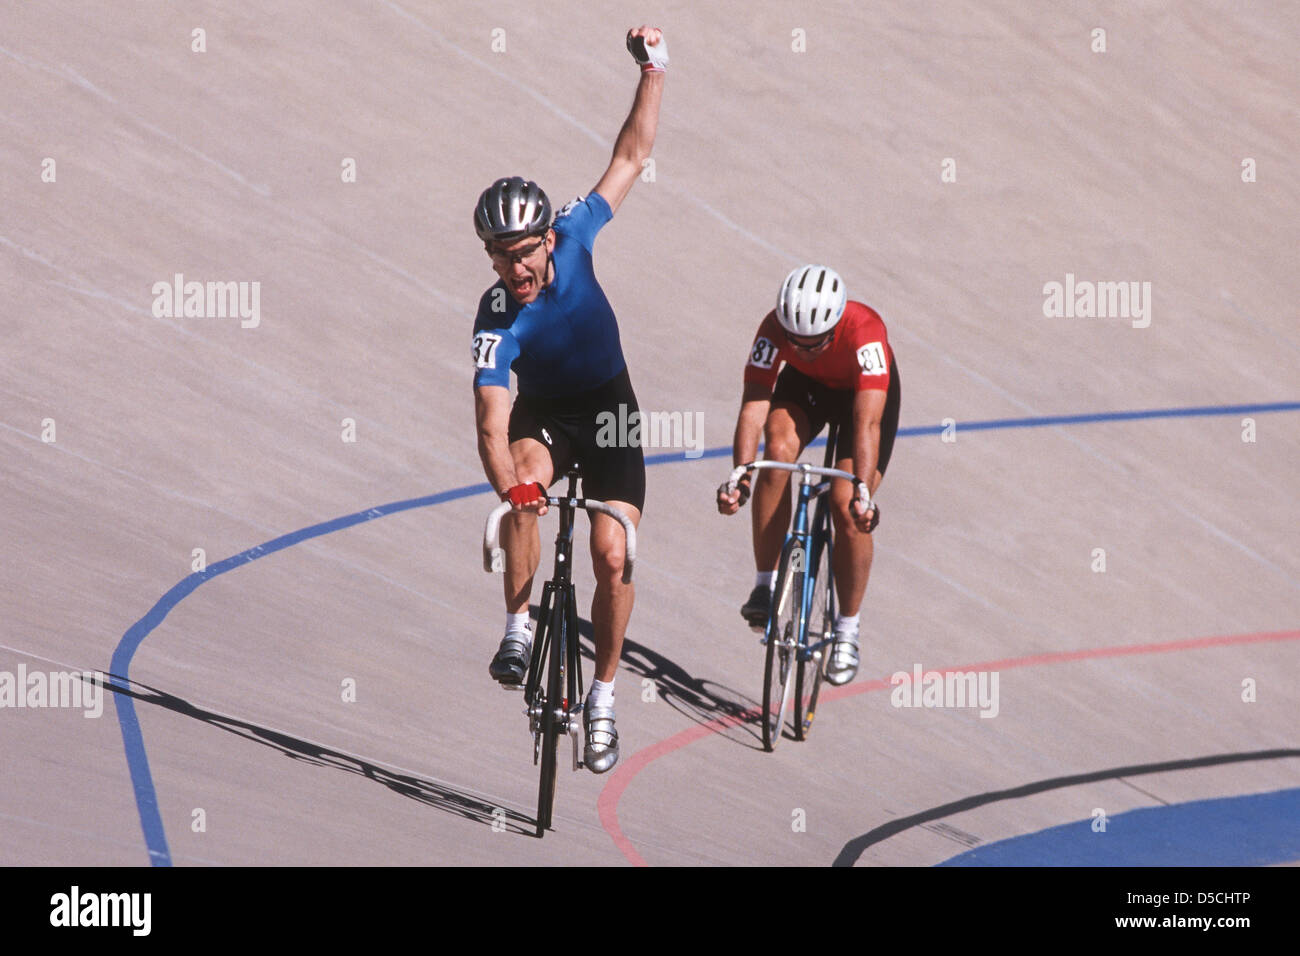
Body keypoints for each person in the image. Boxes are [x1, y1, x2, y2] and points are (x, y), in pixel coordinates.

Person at [470, 26, 668, 774]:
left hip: (610, 410)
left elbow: (631, 157)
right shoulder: (495, 319)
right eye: (501, 256)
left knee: (612, 556)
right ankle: (518, 626)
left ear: (546, 239)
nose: (515, 266)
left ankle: (604, 700)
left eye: (523, 251)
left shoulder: (577, 234)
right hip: (546, 418)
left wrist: (653, 70)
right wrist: (512, 487)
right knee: (523, 489)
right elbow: (491, 422)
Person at [716, 265, 900, 685]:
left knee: (845, 505)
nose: (804, 347)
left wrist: (863, 494)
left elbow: (868, 424)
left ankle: (847, 629)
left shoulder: (866, 332)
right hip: (807, 390)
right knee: (776, 453)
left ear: (835, 327)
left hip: (863, 398)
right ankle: (765, 583)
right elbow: (754, 405)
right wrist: (740, 475)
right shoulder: (772, 329)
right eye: (796, 342)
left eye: (814, 343)